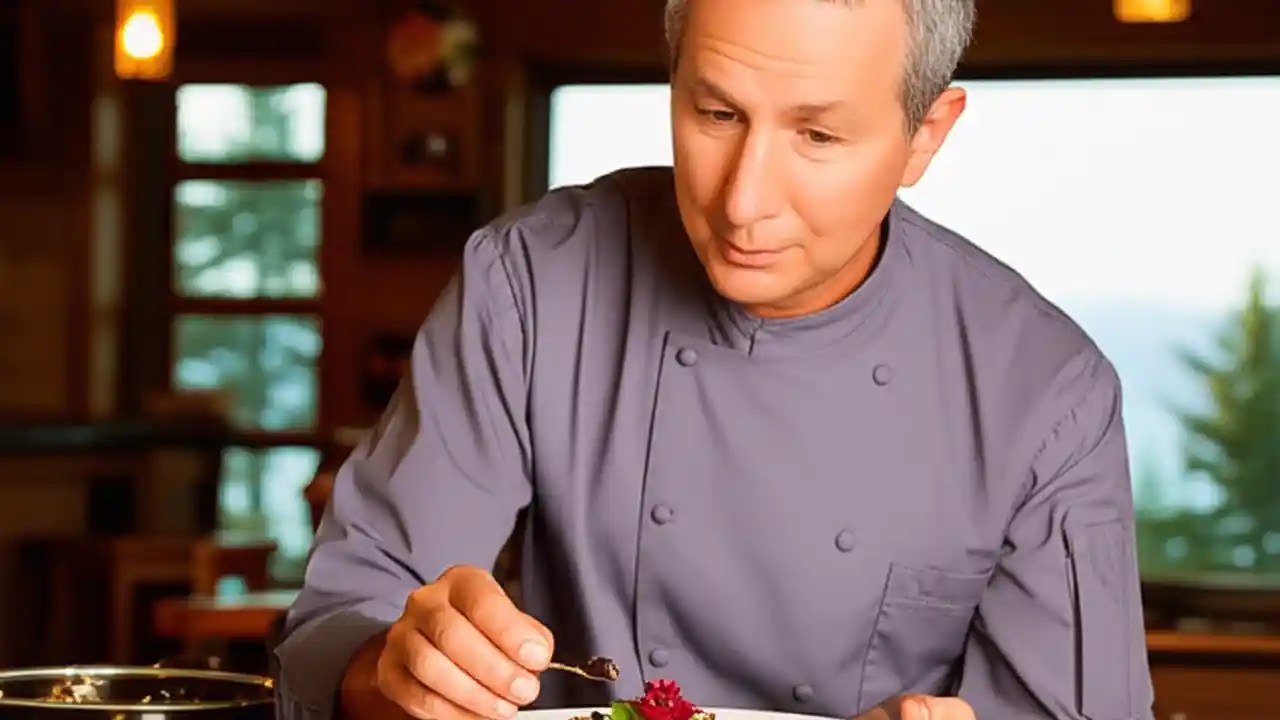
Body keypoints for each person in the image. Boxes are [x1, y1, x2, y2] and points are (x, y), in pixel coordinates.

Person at [274, 0, 1156, 718]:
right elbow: (334, 635)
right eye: (716, 114)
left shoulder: (1046, 391)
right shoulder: (530, 284)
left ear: (926, 136)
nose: (742, 201)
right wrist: (401, 671)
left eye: (817, 137)